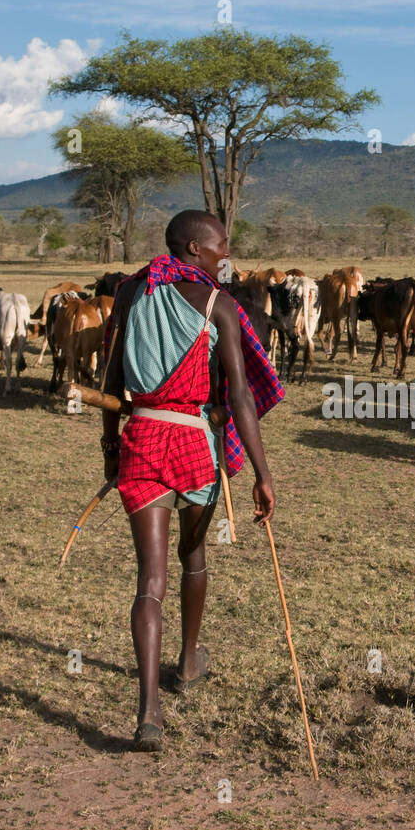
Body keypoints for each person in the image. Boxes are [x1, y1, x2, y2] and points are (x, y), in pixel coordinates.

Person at [100, 210, 280, 752]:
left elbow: (109, 383)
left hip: (141, 441)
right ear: (194, 248)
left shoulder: (130, 296)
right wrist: (262, 475)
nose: (227, 254)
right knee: (194, 559)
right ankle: (188, 660)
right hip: (192, 447)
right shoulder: (217, 305)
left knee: (148, 583)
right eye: (222, 245)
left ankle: (149, 712)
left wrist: (111, 449)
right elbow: (241, 397)